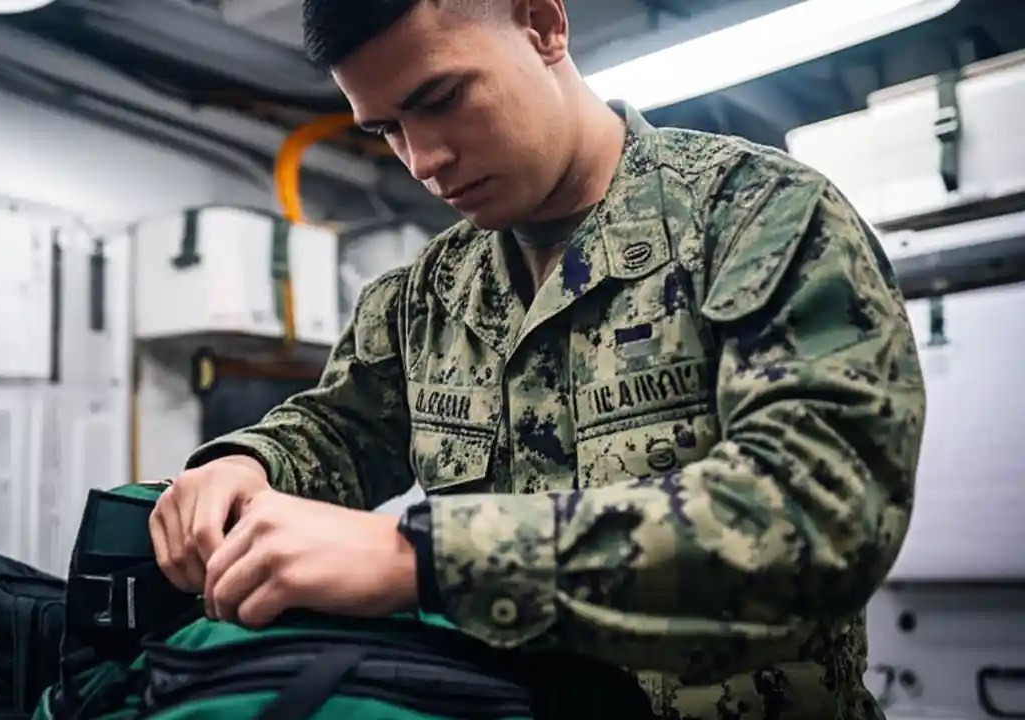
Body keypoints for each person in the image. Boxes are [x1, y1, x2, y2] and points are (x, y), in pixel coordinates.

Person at [148, 0, 927, 717]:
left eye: (442, 98)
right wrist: (246, 466)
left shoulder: (756, 219)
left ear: (543, 23)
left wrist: (421, 558)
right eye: (385, 129)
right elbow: (339, 431)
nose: (421, 160)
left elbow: (820, 513)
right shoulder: (427, 296)